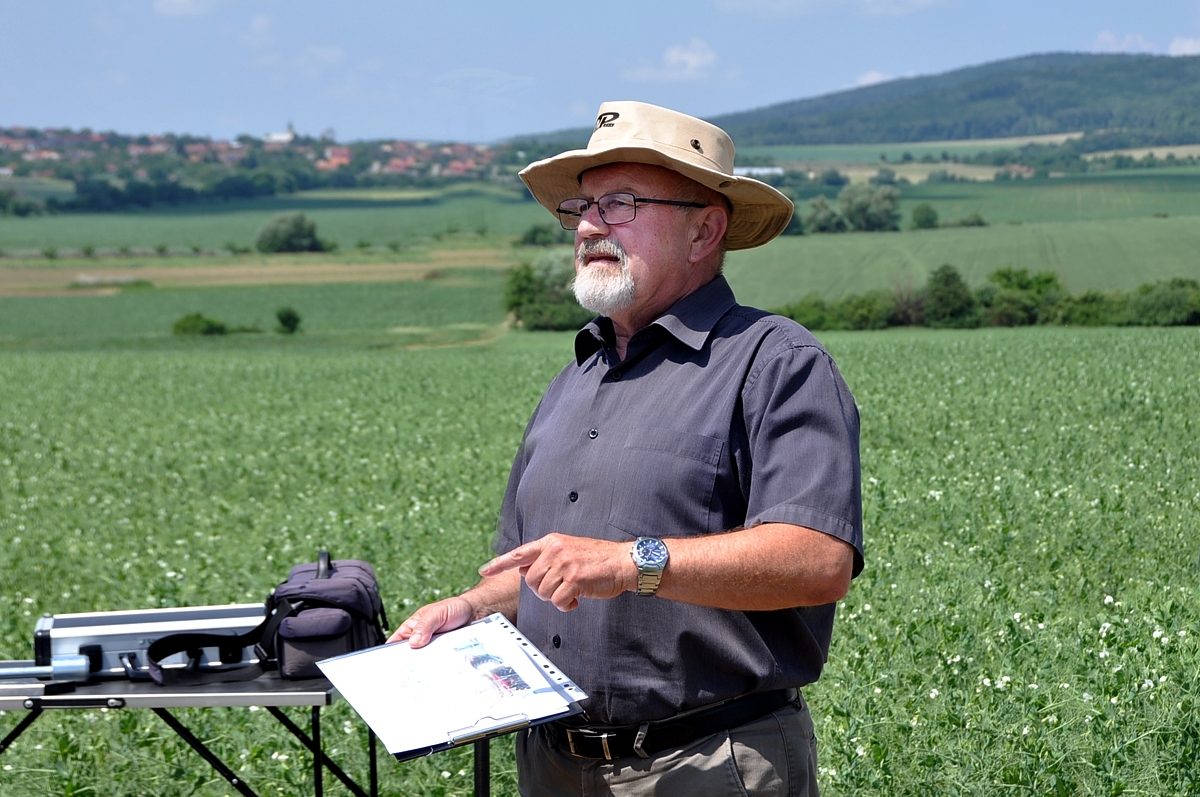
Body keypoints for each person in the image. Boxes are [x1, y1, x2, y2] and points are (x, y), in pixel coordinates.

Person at [390, 101, 863, 797]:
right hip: (552, 765)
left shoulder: (775, 362)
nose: (587, 225)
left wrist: (627, 562)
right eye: (582, 207)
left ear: (705, 228)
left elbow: (818, 559)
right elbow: (540, 575)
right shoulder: (571, 381)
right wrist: (470, 607)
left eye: (620, 204)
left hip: (705, 762)